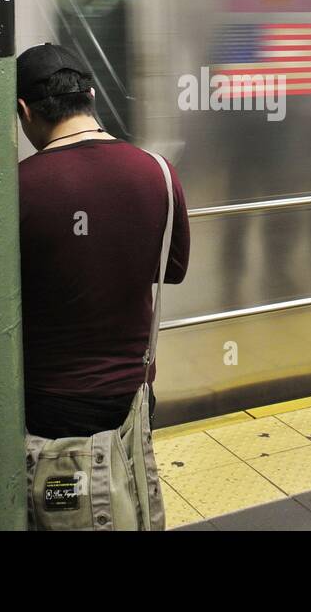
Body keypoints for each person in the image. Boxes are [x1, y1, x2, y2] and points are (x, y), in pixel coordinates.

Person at [15, 43, 190, 438]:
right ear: (91, 97)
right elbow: (172, 270)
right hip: (133, 389)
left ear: (24, 110)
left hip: (51, 395)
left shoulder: (18, 186)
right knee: (125, 491)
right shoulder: (159, 172)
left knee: (62, 497)